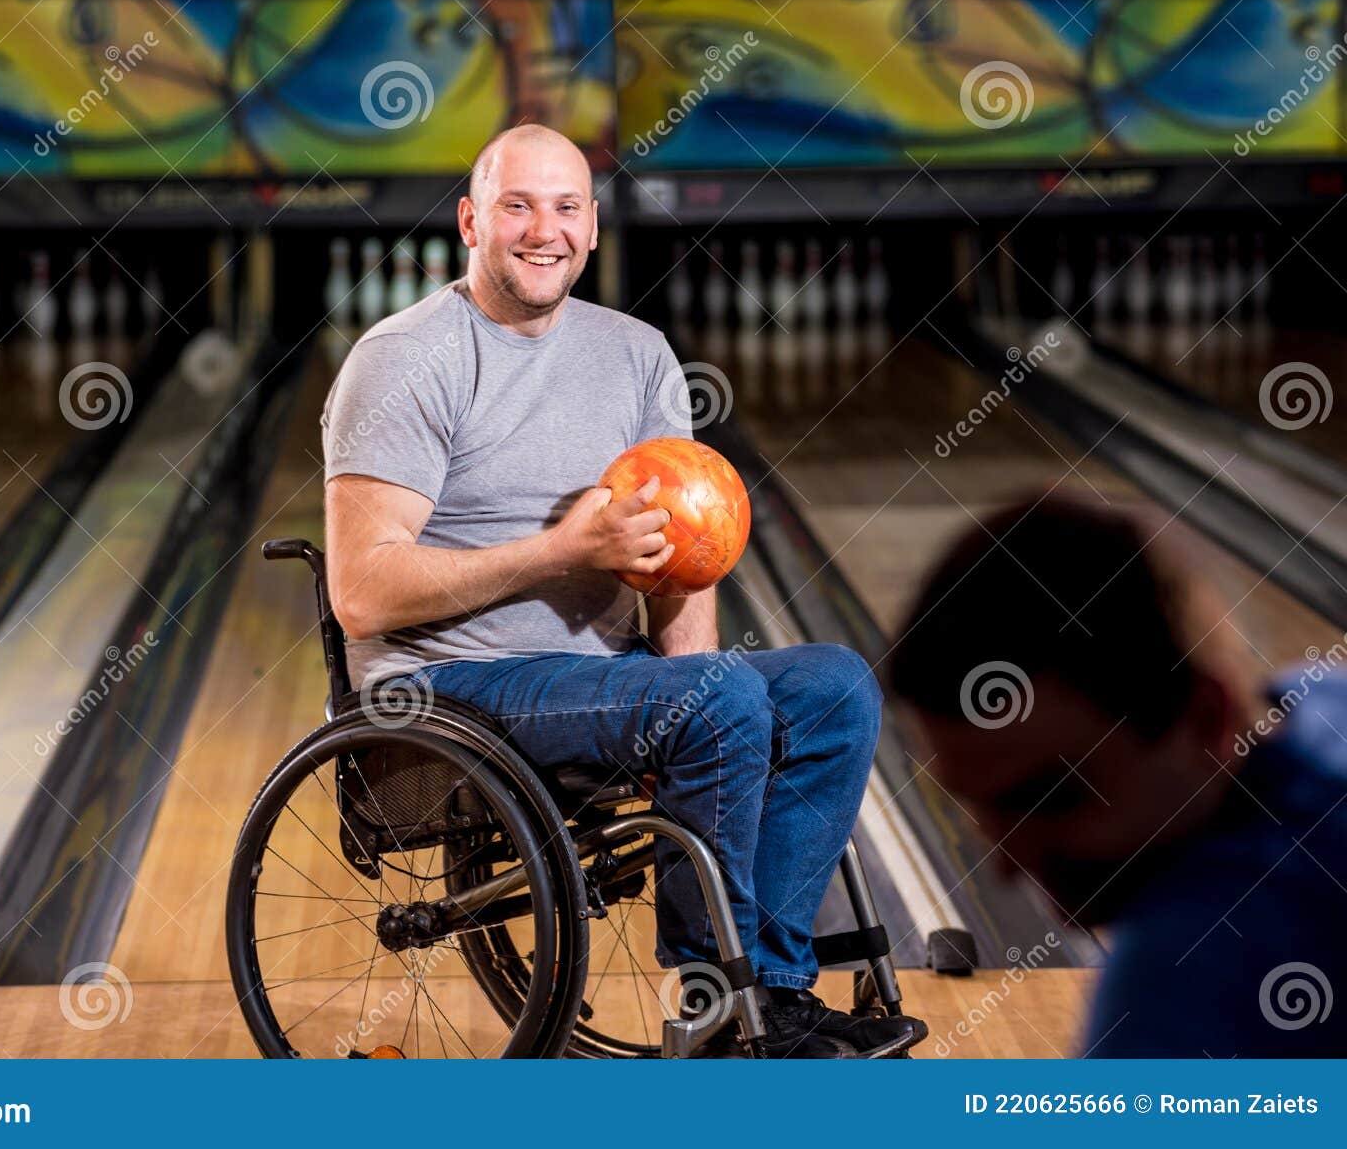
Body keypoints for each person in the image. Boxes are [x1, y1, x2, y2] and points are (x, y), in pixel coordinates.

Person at [319, 123, 924, 1058]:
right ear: (471, 220)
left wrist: (688, 700)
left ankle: (770, 992)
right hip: (453, 685)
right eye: (517, 205)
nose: (542, 229)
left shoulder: (636, 355)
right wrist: (563, 550)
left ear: (593, 229)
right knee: (719, 698)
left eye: (565, 207)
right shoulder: (405, 360)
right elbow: (362, 592)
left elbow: (683, 561)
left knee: (834, 685)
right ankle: (715, 1008)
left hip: (603, 681)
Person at [890, 493, 1346, 1057]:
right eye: (979, 810)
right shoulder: (1317, 695)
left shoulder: (1187, 982)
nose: (1006, 864)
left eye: (1050, 797)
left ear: (1208, 719)